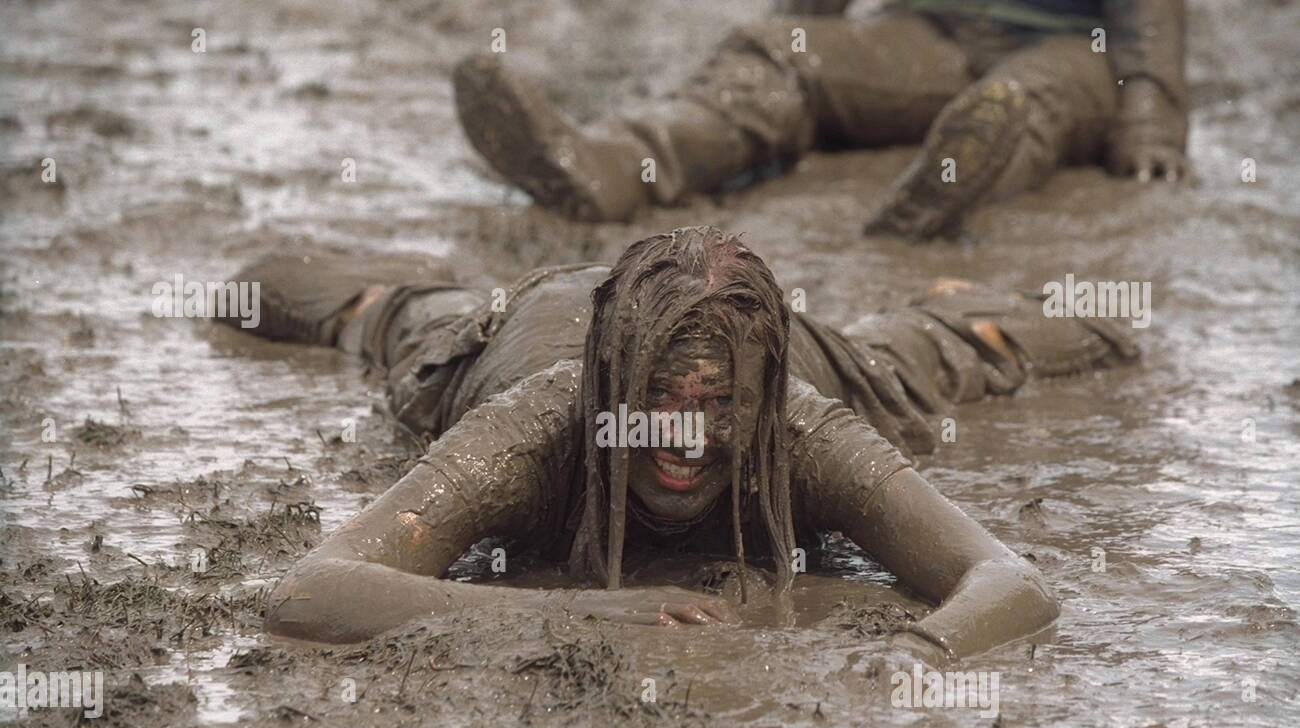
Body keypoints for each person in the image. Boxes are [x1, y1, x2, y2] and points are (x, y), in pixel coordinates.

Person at [222, 226, 1136, 654]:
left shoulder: (797, 424)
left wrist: (919, 655)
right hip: (523, 325)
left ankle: (962, 315)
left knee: (899, 373)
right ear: (610, 389)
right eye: (657, 399)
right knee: (380, 322)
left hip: (796, 346)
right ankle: (387, 288)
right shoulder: (532, 430)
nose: (682, 435)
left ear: (761, 399)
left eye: (716, 405)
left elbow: (1012, 581)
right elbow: (309, 590)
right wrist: (584, 612)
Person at [452, 0, 1186, 237]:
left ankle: (935, 203)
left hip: (1075, 48)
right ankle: (615, 165)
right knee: (784, 60)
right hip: (928, 31)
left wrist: (1150, 114)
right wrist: (795, 39)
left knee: (1021, 105)